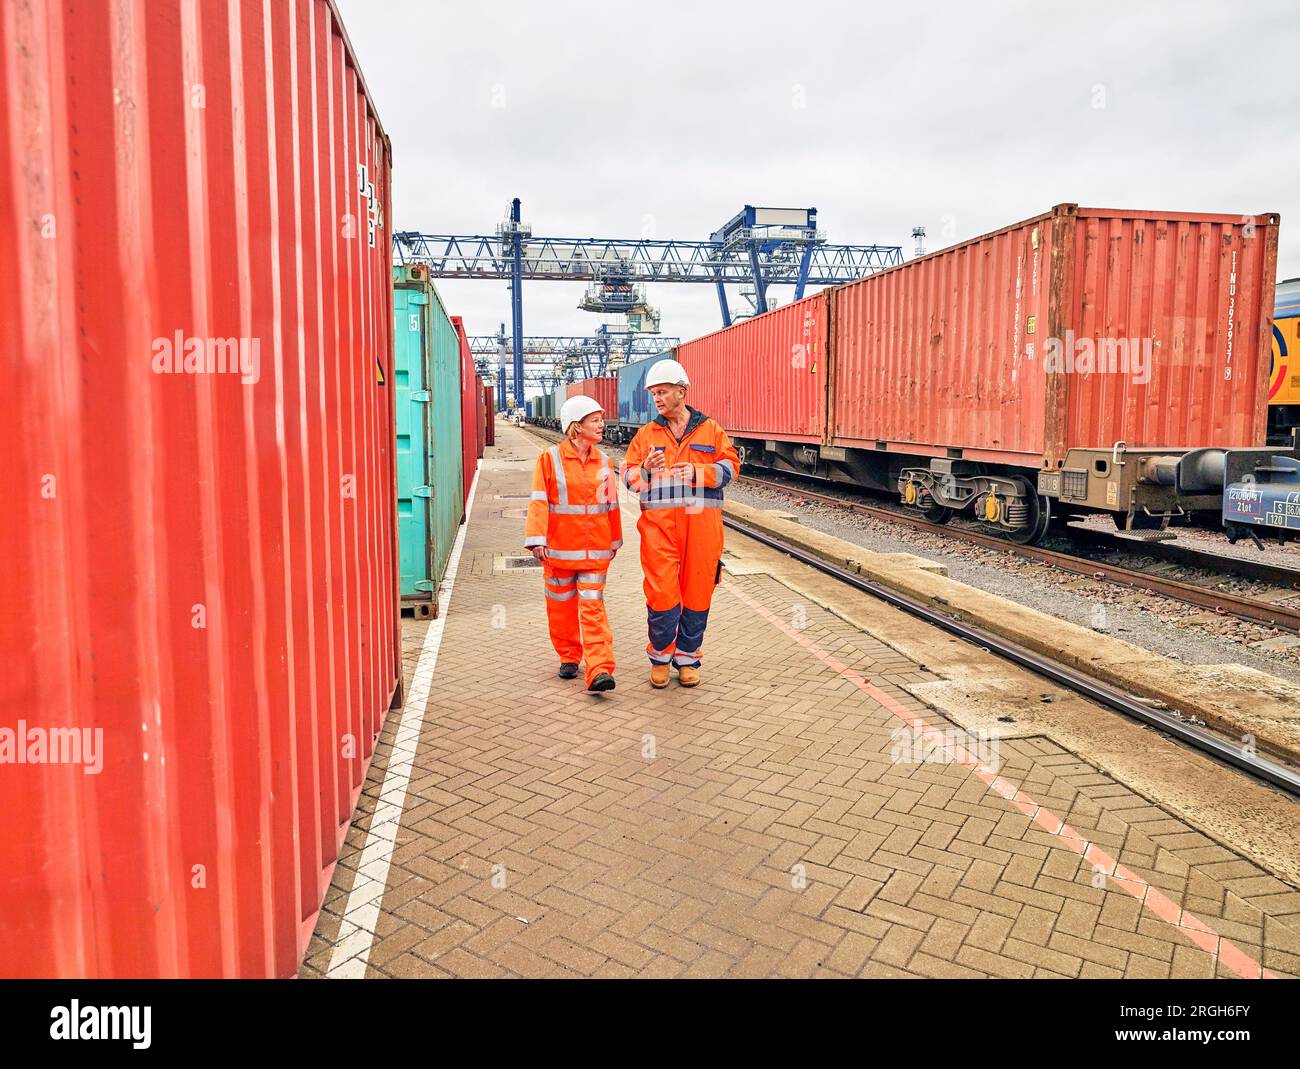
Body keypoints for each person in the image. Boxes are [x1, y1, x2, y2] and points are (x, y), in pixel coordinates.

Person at [621, 359, 740, 688]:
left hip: (702, 532)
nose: (656, 399)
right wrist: (643, 468)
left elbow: (731, 466)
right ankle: (660, 657)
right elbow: (628, 479)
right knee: (662, 593)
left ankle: (687, 659)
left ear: (681, 392)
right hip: (659, 531)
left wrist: (701, 473)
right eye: (654, 393)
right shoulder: (647, 435)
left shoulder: (711, 430)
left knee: (698, 593)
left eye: (662, 392)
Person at [524, 395, 622, 692]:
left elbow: (611, 504)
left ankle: (599, 669)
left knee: (593, 609)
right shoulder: (549, 459)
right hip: (558, 551)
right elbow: (539, 501)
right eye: (595, 420)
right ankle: (569, 656)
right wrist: (536, 539)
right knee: (561, 609)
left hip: (595, 552)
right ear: (576, 427)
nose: (602, 425)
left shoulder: (604, 461)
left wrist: (615, 540)